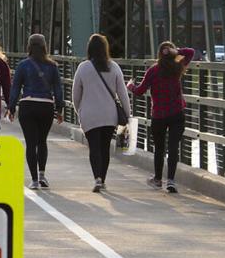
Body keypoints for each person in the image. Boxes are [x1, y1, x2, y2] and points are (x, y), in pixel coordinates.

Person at [129, 40, 196, 194]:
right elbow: (190, 51)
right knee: (173, 147)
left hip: (159, 115)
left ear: (158, 54)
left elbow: (139, 91)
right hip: (177, 113)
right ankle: (171, 181)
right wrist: (174, 52)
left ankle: (158, 179)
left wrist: (130, 86)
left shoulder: (153, 71)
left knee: (159, 148)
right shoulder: (177, 67)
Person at [72, 33, 131, 193]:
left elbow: (75, 95)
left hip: (90, 115)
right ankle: (102, 180)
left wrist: (80, 111)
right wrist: (127, 114)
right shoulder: (114, 67)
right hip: (109, 116)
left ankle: (97, 178)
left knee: (94, 148)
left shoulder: (83, 68)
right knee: (105, 148)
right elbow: (123, 94)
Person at [7, 34, 65, 190]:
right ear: (44, 46)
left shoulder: (23, 65)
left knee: (31, 143)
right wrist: (59, 108)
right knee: (42, 141)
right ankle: (42, 175)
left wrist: (11, 107)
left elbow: (15, 88)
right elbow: (58, 89)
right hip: (46, 106)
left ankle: (33, 180)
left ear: (29, 46)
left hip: (28, 106)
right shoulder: (52, 66)